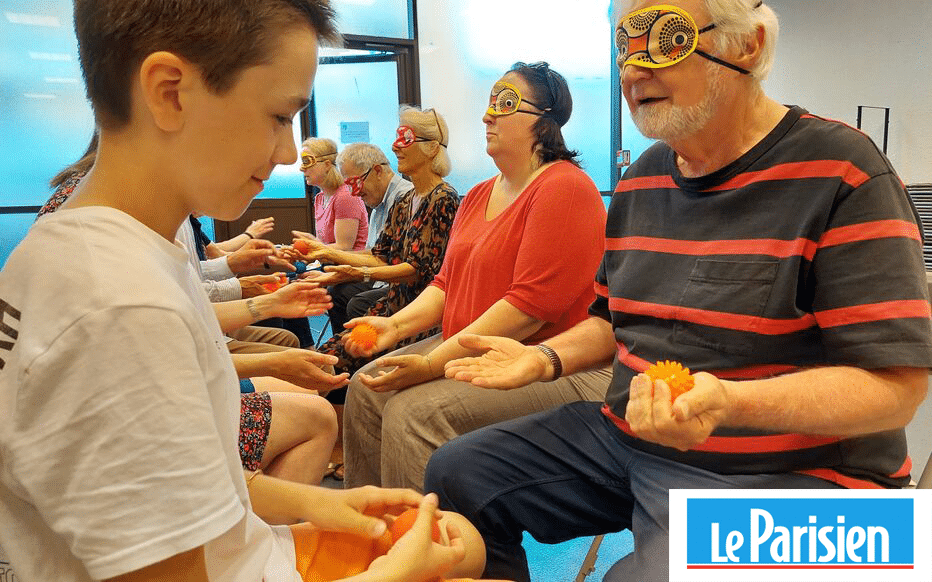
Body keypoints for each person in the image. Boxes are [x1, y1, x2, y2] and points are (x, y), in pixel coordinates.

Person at [428, 1, 932, 581]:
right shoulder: (642, 178)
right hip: (634, 441)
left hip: (801, 480)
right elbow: (612, 318)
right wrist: (544, 359)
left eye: (666, 38)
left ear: (748, 47)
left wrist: (730, 402)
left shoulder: (843, 172)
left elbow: (896, 389)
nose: (634, 69)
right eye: (624, 45)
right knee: (460, 473)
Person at [0, 1, 489, 581]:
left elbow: (193, 493)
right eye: (279, 117)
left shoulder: (113, 253)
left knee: (462, 545)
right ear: (170, 92)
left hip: (248, 553)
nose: (287, 153)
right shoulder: (122, 306)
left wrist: (325, 504)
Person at [340, 65, 611, 492]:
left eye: (504, 104)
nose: (487, 116)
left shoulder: (565, 188)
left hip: (547, 360)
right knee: (366, 389)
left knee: (414, 413)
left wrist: (432, 363)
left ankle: (427, 550)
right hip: (474, 345)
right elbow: (446, 284)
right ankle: (373, 528)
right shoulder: (480, 194)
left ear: (544, 120)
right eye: (489, 104)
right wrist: (394, 326)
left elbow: (527, 312)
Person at [295, 106, 460, 376]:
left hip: (417, 315)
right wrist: (326, 254)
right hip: (395, 303)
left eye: (405, 139)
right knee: (329, 357)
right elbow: (382, 254)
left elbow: (418, 271)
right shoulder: (406, 201)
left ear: (432, 148)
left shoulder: (442, 198)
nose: (395, 147)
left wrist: (357, 272)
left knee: (337, 363)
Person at [324, 142, 414, 334]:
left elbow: (390, 260)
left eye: (355, 183)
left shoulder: (403, 199)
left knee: (355, 302)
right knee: (337, 292)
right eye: (348, 186)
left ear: (378, 171)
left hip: (400, 280)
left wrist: (329, 254)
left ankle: (356, 353)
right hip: (381, 274)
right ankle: (344, 350)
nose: (354, 193)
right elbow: (375, 252)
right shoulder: (378, 202)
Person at [301, 137, 368, 251]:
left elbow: (344, 247)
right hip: (330, 263)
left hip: (350, 266)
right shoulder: (320, 198)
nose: (302, 168)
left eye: (307, 162)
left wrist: (310, 249)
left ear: (327, 165)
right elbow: (325, 245)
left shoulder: (345, 196)